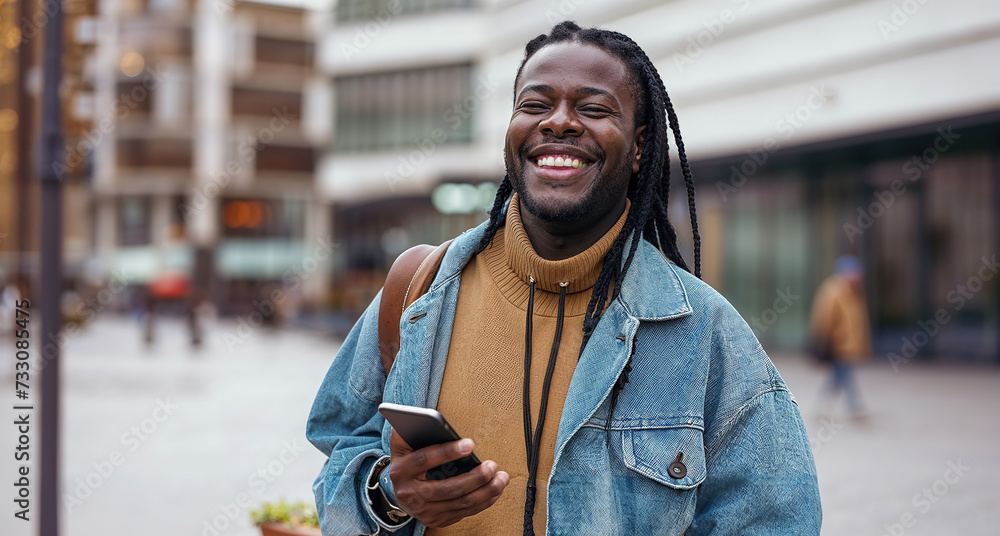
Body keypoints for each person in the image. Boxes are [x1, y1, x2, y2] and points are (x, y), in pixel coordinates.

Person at [307, 21, 821, 535]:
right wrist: (390, 496)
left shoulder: (706, 332)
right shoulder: (421, 290)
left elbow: (773, 521)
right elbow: (338, 455)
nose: (558, 123)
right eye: (534, 104)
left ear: (640, 147)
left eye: (593, 109)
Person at [810, 255, 871, 420]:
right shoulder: (834, 291)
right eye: (855, 273)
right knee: (844, 375)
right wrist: (824, 340)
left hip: (848, 344)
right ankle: (855, 406)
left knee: (839, 376)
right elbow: (825, 319)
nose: (858, 276)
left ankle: (825, 405)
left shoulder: (852, 292)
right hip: (839, 344)